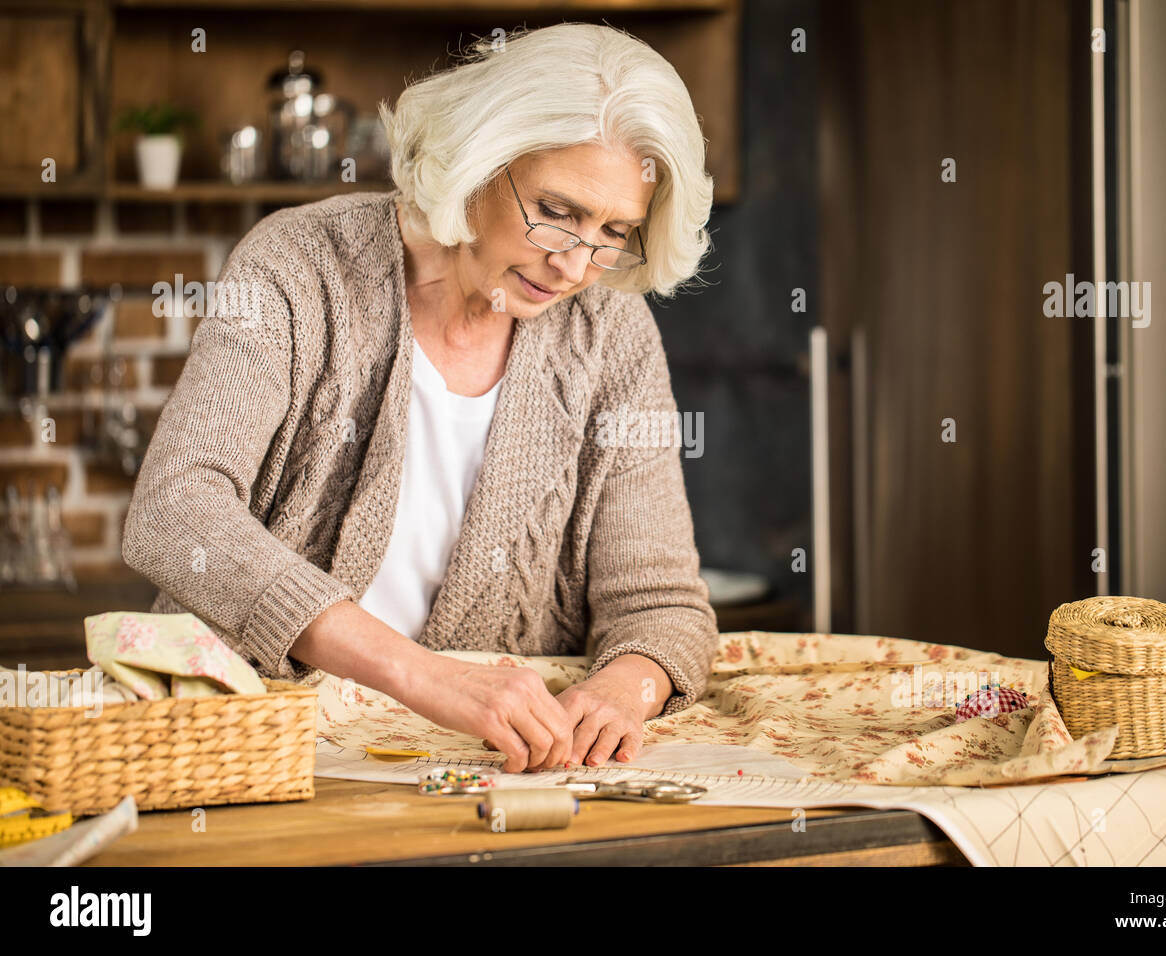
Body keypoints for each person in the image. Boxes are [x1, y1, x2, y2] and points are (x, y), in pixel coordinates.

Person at [122, 22, 719, 773]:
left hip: (484, 774)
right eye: (557, 211)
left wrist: (624, 689)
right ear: (478, 158)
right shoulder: (299, 266)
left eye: (613, 231)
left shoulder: (612, 334)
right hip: (250, 749)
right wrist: (423, 675)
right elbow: (175, 512)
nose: (574, 263)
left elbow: (661, 603)